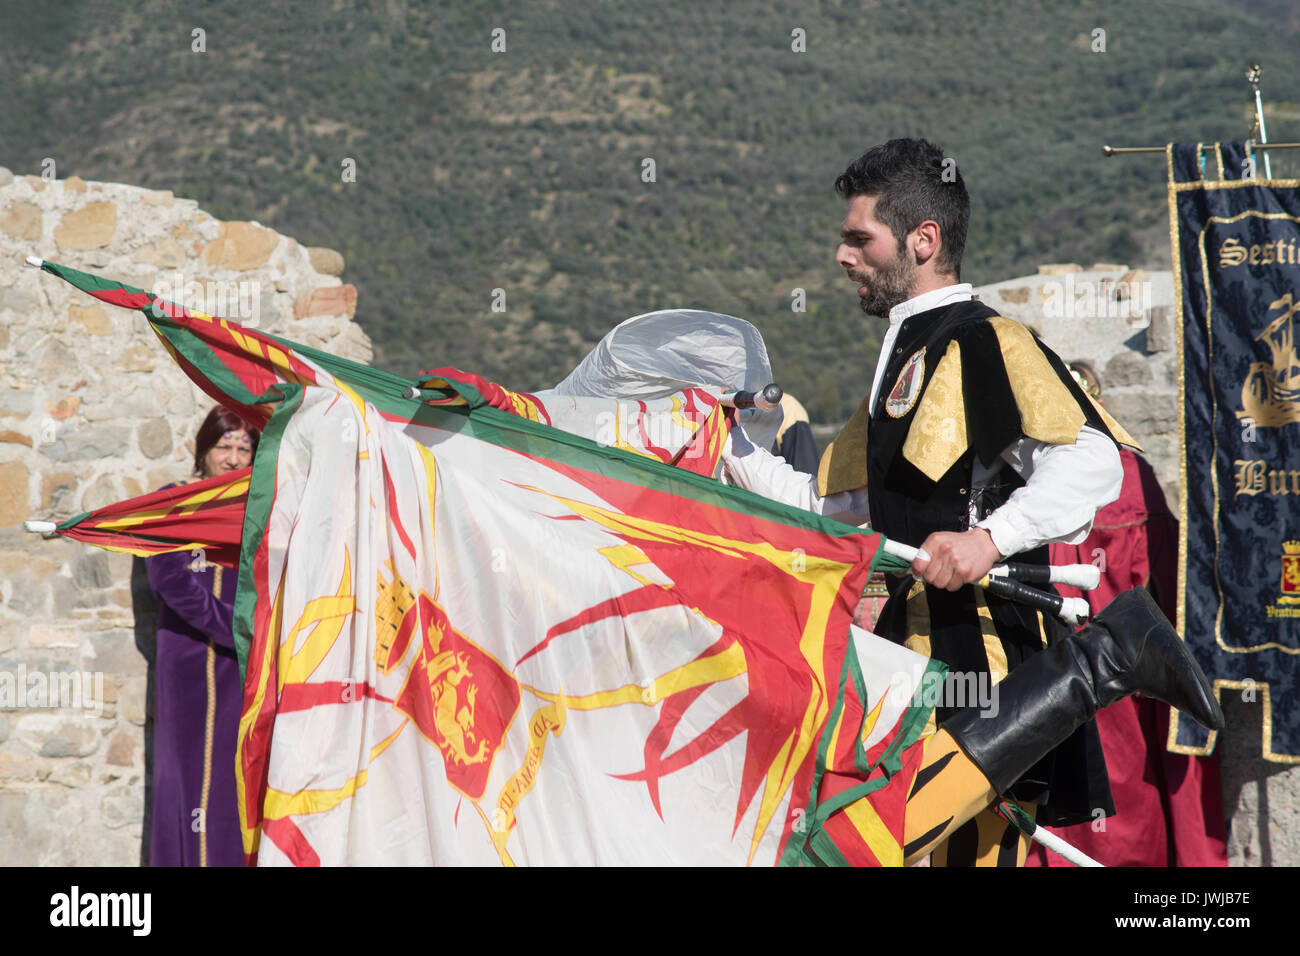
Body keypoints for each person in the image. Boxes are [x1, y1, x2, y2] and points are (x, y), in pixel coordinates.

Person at [722, 138, 1140, 865]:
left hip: (985, 664)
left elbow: (1093, 460)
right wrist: (719, 443)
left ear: (923, 241)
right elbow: (831, 504)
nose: (842, 255)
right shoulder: (902, 355)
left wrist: (988, 540)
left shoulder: (987, 340)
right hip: (906, 662)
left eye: (860, 238)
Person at [1023, 363, 1228, 866]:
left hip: (1056, 673)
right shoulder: (1132, 473)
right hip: (1131, 675)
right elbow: (1167, 585)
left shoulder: (1031, 479)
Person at [145, 406, 258, 866]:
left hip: (246, 665)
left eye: (243, 448)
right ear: (204, 450)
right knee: (191, 775)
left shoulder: (262, 509)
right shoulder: (173, 503)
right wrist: (236, 628)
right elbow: (170, 581)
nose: (232, 459)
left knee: (237, 779)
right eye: (223, 447)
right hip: (189, 659)